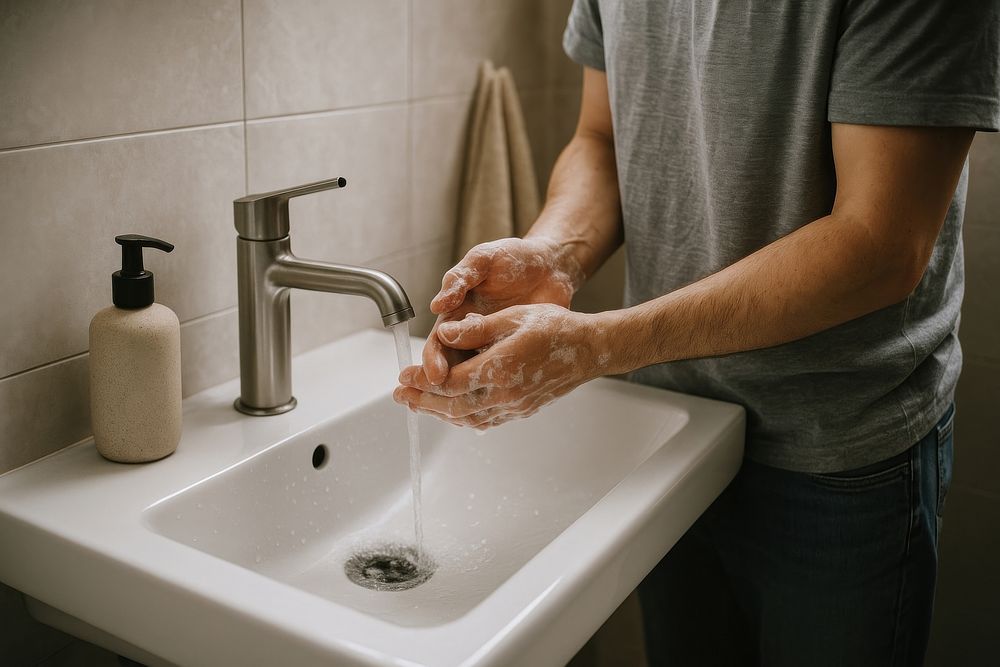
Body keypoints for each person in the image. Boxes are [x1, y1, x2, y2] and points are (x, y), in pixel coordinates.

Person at [395, 1, 999, 665]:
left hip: (840, 454)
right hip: (674, 432)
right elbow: (601, 137)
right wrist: (554, 254)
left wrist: (598, 344)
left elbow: (880, 243)